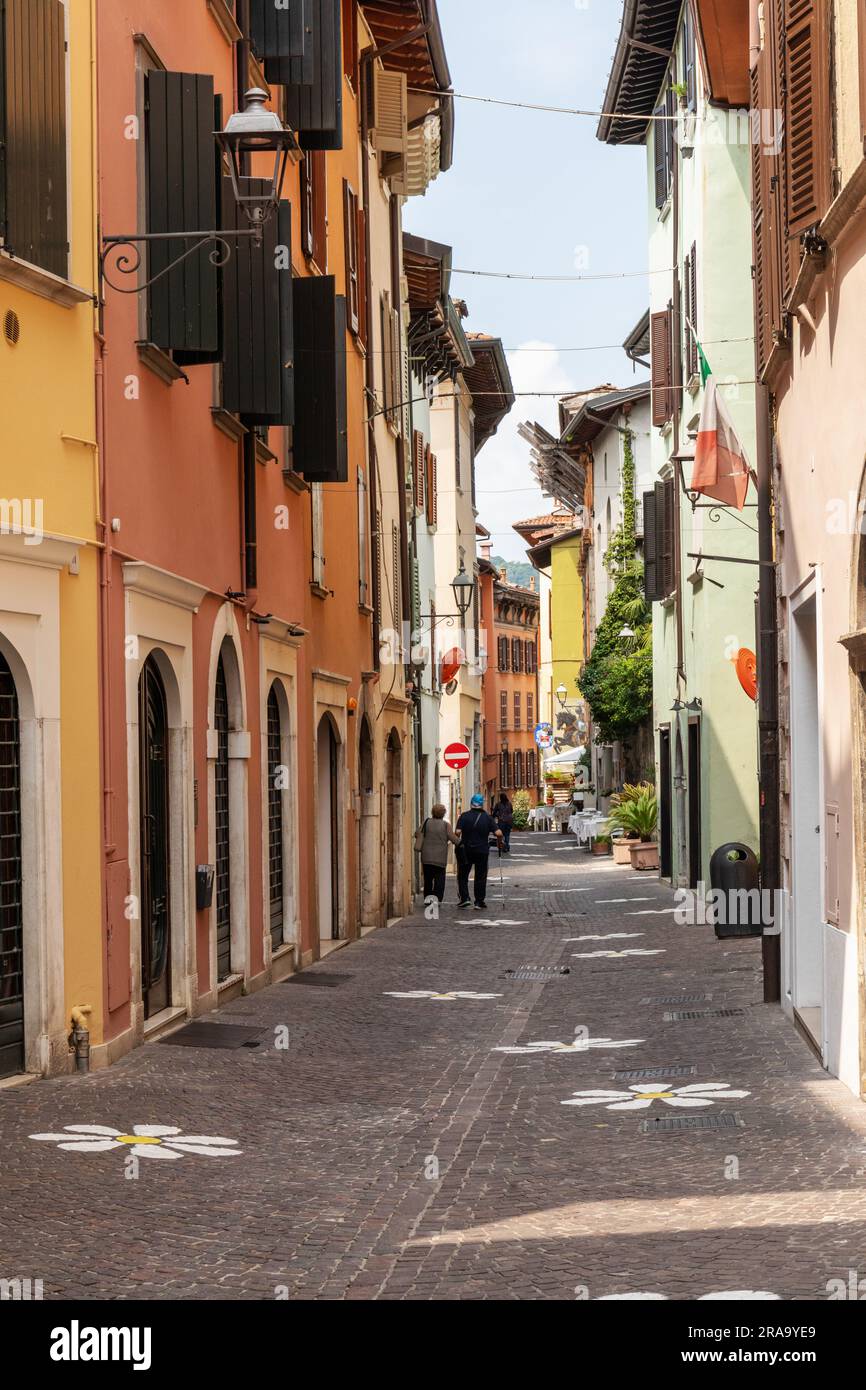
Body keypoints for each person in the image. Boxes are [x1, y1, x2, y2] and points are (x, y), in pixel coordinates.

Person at [455, 794, 503, 910]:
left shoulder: (464, 816)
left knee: (463, 875)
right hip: (482, 850)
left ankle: (465, 898)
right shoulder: (487, 818)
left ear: (471, 804)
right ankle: (479, 901)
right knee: (480, 876)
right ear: (482, 805)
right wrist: (499, 843)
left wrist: (461, 838)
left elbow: (457, 832)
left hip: (466, 850)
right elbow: (499, 833)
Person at [414, 805, 460, 904]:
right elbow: (453, 838)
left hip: (426, 857)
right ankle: (437, 899)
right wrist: (460, 842)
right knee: (439, 880)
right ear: (443, 813)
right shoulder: (445, 825)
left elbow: (417, 833)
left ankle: (428, 899)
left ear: (432, 812)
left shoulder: (426, 822)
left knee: (428, 879)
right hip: (440, 858)